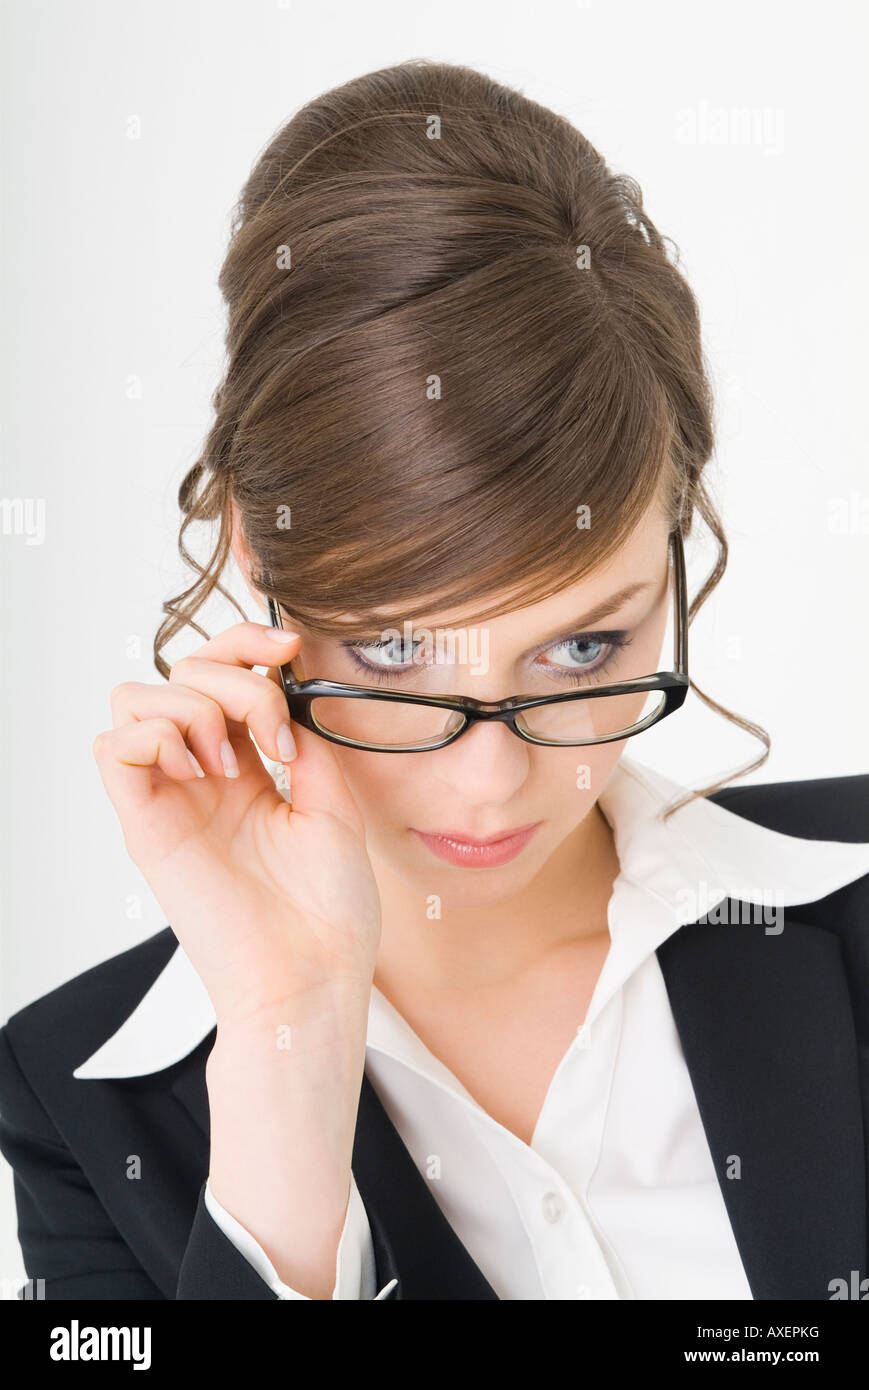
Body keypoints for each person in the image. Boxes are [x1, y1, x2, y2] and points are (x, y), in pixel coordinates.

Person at [1, 60, 868, 1302]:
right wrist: (287, 1037)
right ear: (254, 544)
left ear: (674, 539)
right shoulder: (89, 1108)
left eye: (581, 649)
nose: (490, 780)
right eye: (395, 652)